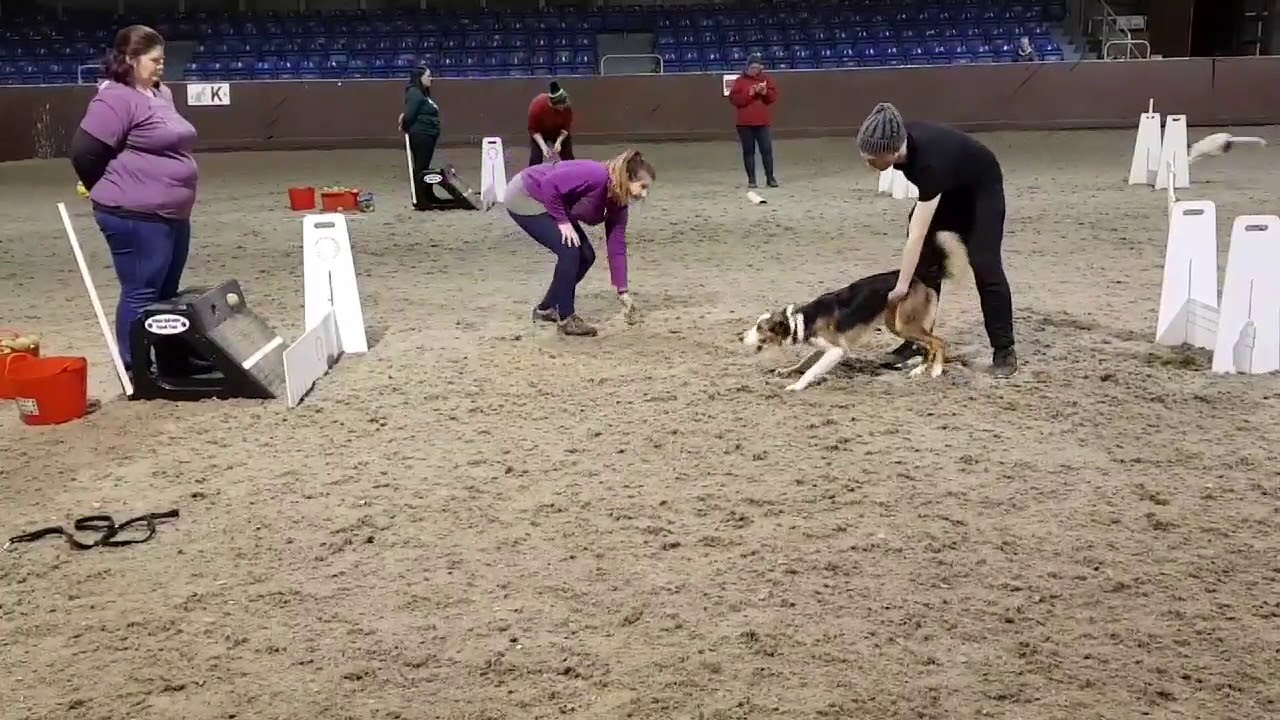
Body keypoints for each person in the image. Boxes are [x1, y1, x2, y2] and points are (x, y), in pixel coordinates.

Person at [69, 24, 200, 375]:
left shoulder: (161, 94)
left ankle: (172, 360)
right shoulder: (114, 98)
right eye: (154, 60)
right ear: (130, 59)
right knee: (142, 291)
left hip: (170, 213)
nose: (160, 66)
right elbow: (85, 153)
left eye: (162, 60)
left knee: (167, 291)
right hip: (134, 215)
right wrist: (107, 187)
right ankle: (134, 367)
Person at [855, 102, 1019, 378]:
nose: (866, 161)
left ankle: (1004, 350)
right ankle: (918, 339)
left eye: (871, 157)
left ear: (892, 152)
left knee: (985, 264)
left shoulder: (929, 162)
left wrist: (901, 287)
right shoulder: (899, 143)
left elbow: (917, 234)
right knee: (925, 264)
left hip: (981, 192)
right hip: (949, 189)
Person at [503, 150, 655, 337]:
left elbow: (616, 246)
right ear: (628, 178)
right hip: (526, 194)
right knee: (570, 251)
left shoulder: (618, 203)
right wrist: (562, 221)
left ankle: (547, 308)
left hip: (553, 202)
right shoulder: (597, 175)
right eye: (643, 186)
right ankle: (566, 318)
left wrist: (622, 290)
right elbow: (549, 183)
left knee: (586, 256)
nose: (644, 194)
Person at [727, 53, 779, 188]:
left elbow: (772, 98)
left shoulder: (766, 79)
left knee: (767, 150)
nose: (755, 70)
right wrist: (749, 94)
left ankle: (770, 178)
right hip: (745, 124)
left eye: (757, 67)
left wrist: (764, 92)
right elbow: (735, 100)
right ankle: (752, 180)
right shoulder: (740, 81)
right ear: (747, 67)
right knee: (748, 151)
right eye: (752, 67)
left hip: (762, 122)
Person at [399, 65, 441, 211]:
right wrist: (404, 124)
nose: (431, 79)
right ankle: (421, 198)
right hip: (421, 134)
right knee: (421, 167)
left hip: (428, 133)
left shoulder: (423, 93)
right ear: (420, 77)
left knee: (425, 167)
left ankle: (428, 195)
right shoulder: (415, 93)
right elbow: (410, 114)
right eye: (428, 76)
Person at [527, 81, 574, 166]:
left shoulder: (567, 106)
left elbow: (566, 127)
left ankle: (572, 174)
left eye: (564, 104)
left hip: (558, 131)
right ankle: (531, 177)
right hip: (540, 132)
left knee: (568, 157)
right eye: (560, 106)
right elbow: (533, 129)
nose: (563, 107)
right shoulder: (537, 107)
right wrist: (543, 147)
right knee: (535, 159)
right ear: (551, 104)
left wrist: (559, 141)